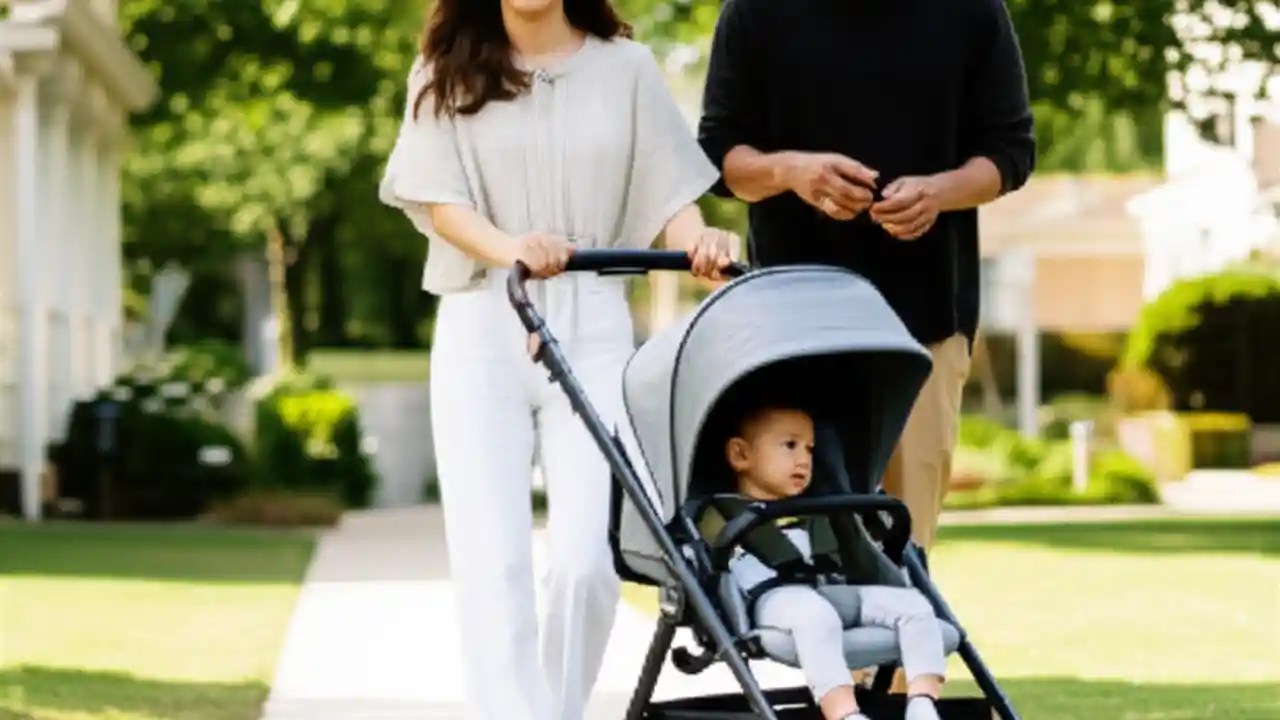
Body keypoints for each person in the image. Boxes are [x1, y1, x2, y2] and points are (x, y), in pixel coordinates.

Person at [378, 1, 738, 718]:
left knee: (586, 564)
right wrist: (512, 246)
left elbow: (671, 189)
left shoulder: (626, 69)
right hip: (485, 318)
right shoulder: (445, 67)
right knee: (494, 564)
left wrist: (703, 240)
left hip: (594, 321)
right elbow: (440, 200)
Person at [697, 0, 1036, 557]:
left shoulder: (973, 11)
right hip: (790, 327)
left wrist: (938, 193)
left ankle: (904, 643)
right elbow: (717, 156)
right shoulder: (755, 12)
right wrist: (791, 172)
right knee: (796, 548)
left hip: (923, 324)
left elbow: (1011, 151)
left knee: (905, 550)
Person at [721, 403, 949, 720]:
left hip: (831, 591)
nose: (804, 459)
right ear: (740, 455)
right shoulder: (721, 513)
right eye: (790, 445)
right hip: (776, 599)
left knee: (914, 605)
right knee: (815, 615)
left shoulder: (821, 507)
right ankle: (843, 712)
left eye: (810, 449)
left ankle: (922, 703)